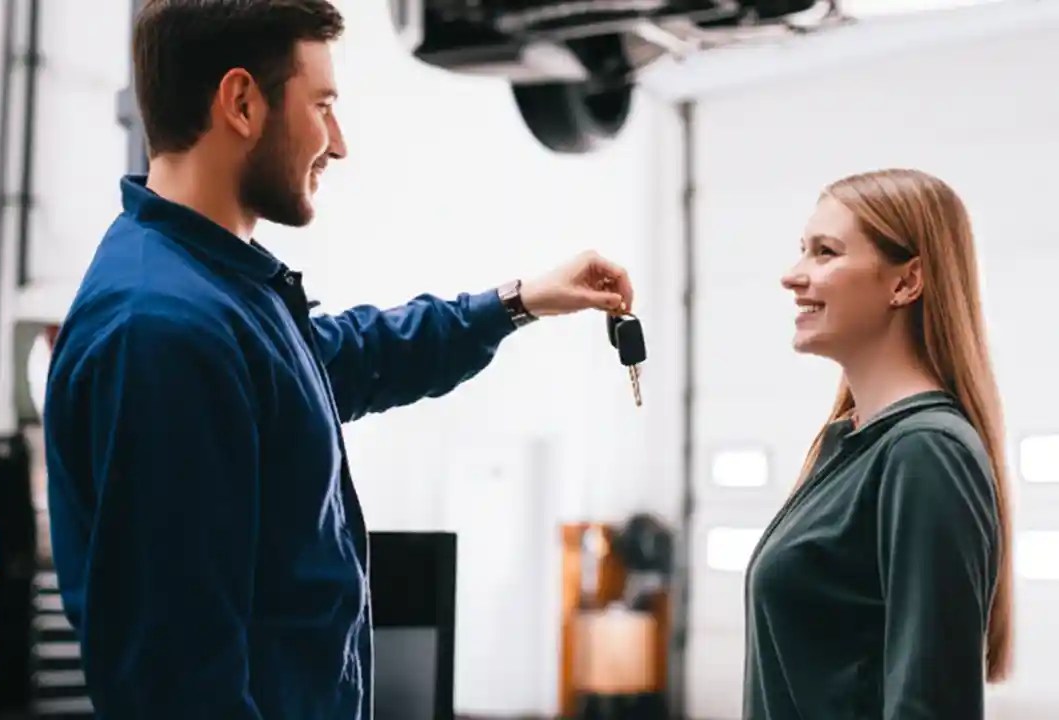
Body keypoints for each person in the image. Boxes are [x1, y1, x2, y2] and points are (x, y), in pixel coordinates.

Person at [41, 1, 636, 718]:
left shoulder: (217, 289)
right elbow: (177, 684)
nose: (339, 142)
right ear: (241, 102)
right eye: (322, 104)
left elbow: (348, 358)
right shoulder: (163, 333)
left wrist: (520, 300)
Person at [743, 168, 1014, 719]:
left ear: (905, 282)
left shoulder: (925, 454)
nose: (792, 276)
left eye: (826, 252)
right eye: (803, 250)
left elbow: (930, 707)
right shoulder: (849, 442)